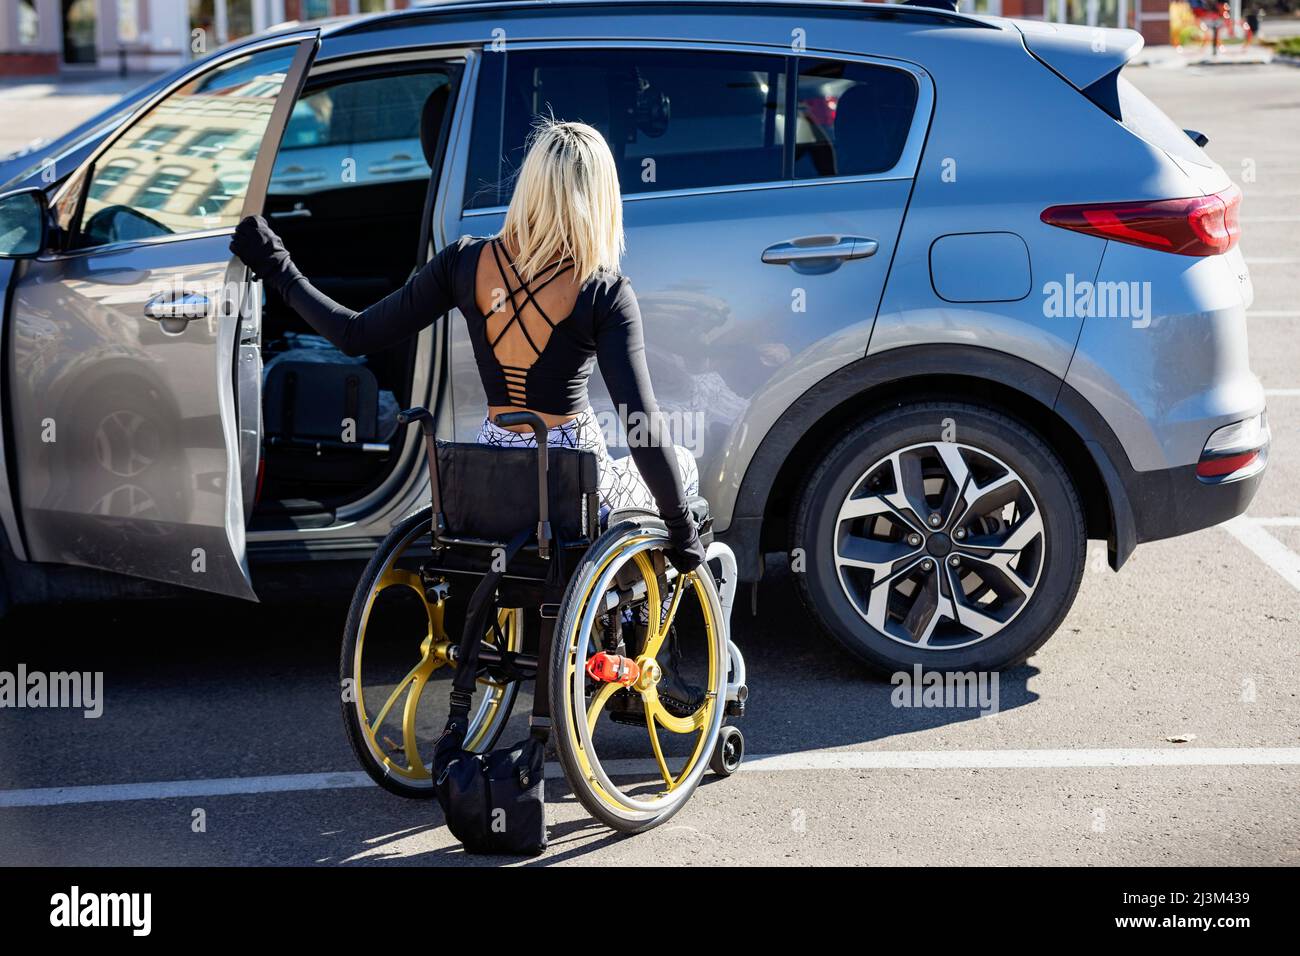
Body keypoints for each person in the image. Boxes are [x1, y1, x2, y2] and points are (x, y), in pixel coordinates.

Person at [230, 119, 707, 573]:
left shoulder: (464, 263)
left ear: (531, 184)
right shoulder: (603, 291)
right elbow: (641, 427)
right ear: (602, 198)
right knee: (682, 466)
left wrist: (278, 267)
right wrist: (683, 534)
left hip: (493, 476)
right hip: (573, 486)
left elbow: (354, 335)